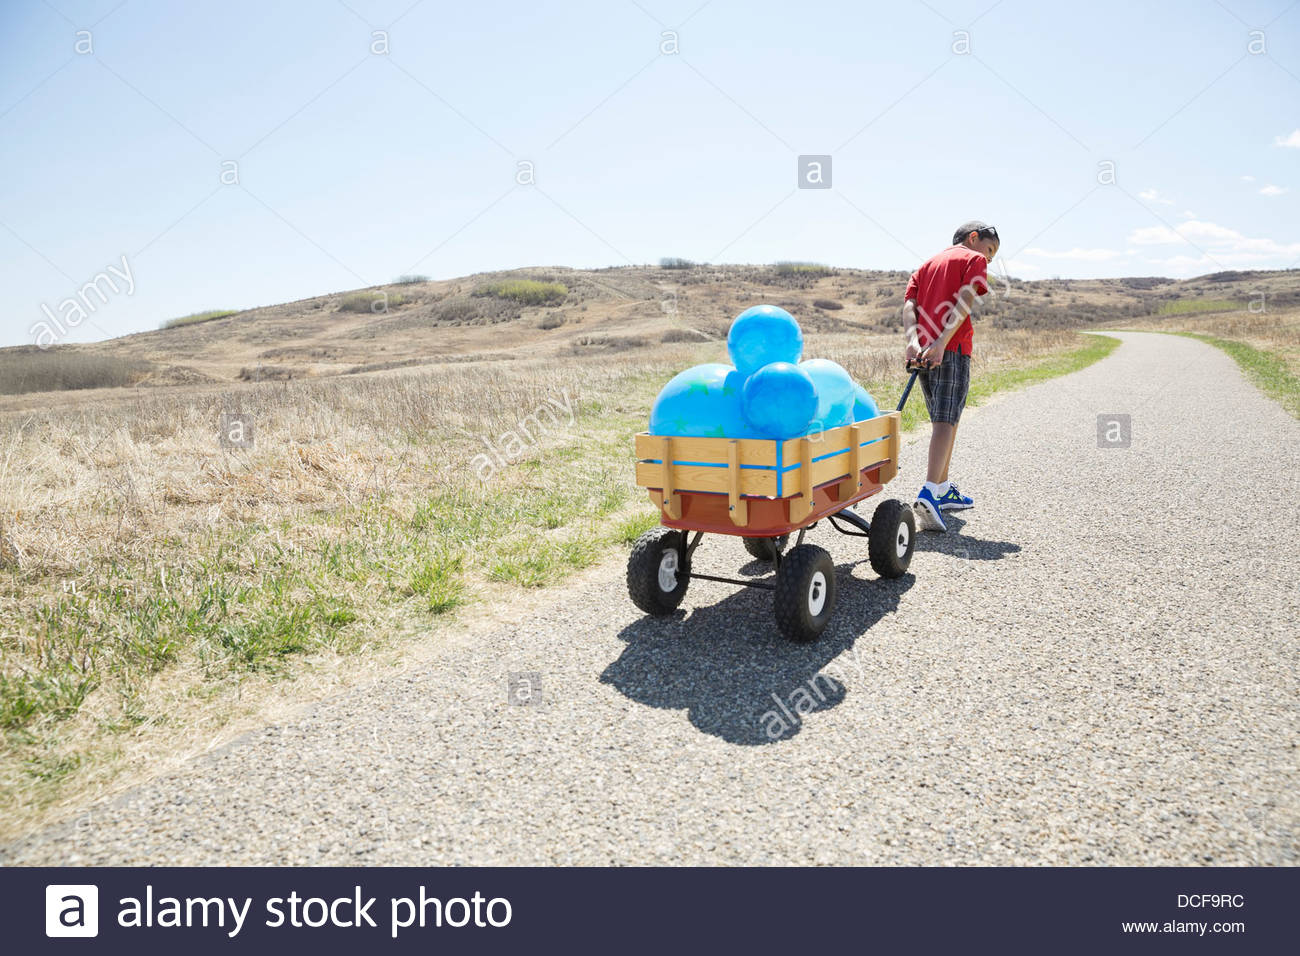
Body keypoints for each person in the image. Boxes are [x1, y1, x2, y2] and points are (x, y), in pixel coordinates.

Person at [902, 221, 999, 532]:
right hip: (950, 348)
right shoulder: (973, 260)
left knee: (945, 419)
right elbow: (966, 298)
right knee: (947, 420)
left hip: (921, 353)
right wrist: (943, 342)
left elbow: (909, 305)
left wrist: (912, 340)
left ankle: (943, 489)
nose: (990, 258)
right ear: (974, 238)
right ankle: (930, 491)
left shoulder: (926, 265)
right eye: (990, 249)